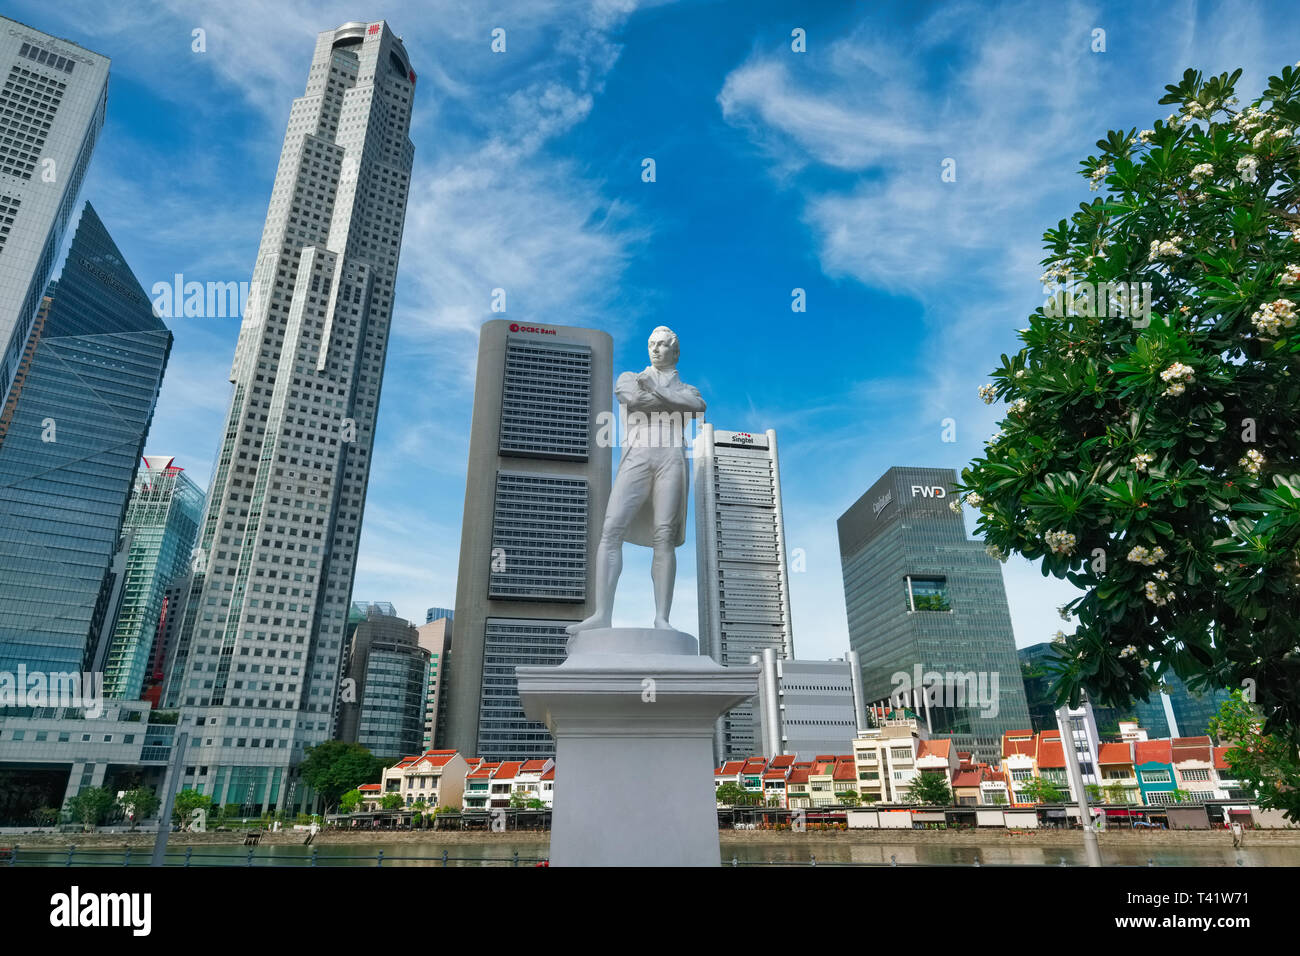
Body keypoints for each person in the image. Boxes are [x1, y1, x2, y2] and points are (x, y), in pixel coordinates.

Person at [568, 326, 705, 634]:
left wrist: (657, 393)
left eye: (662, 345)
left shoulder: (690, 389)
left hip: (671, 458)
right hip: (637, 456)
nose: (655, 350)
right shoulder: (629, 377)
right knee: (611, 528)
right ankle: (602, 613)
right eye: (652, 344)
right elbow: (634, 401)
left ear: (675, 352)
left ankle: (661, 619)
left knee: (664, 535)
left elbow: (698, 408)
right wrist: (673, 401)